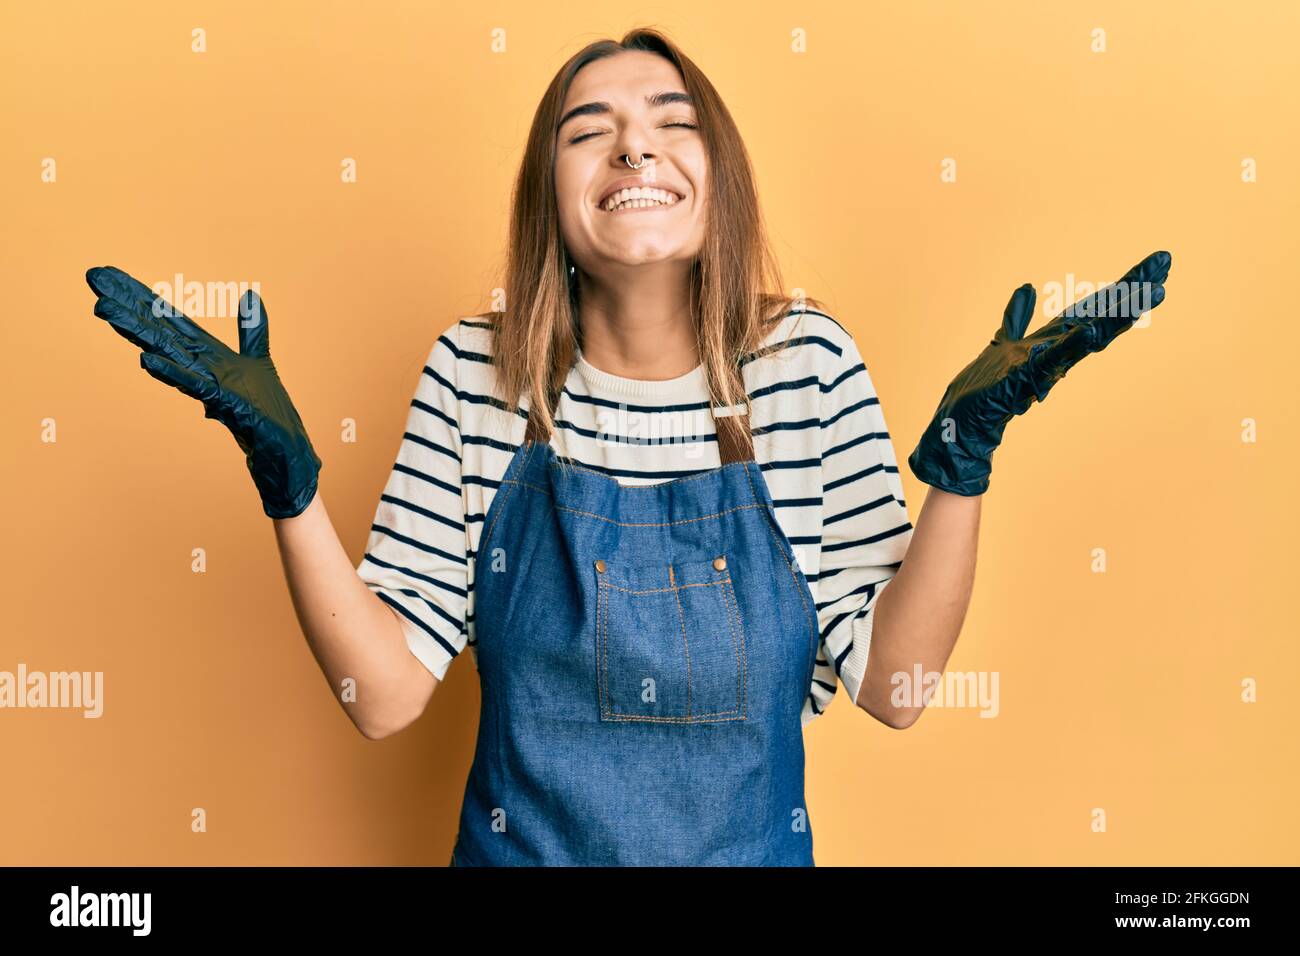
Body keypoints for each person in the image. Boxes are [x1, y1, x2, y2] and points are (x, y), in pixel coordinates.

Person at [83, 27, 1171, 867]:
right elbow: (384, 698)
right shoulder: (478, 373)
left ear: (720, 172)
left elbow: (896, 681)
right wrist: (291, 488)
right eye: (585, 127)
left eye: (670, 118)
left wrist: (960, 469)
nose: (632, 142)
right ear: (548, 198)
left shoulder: (807, 365)